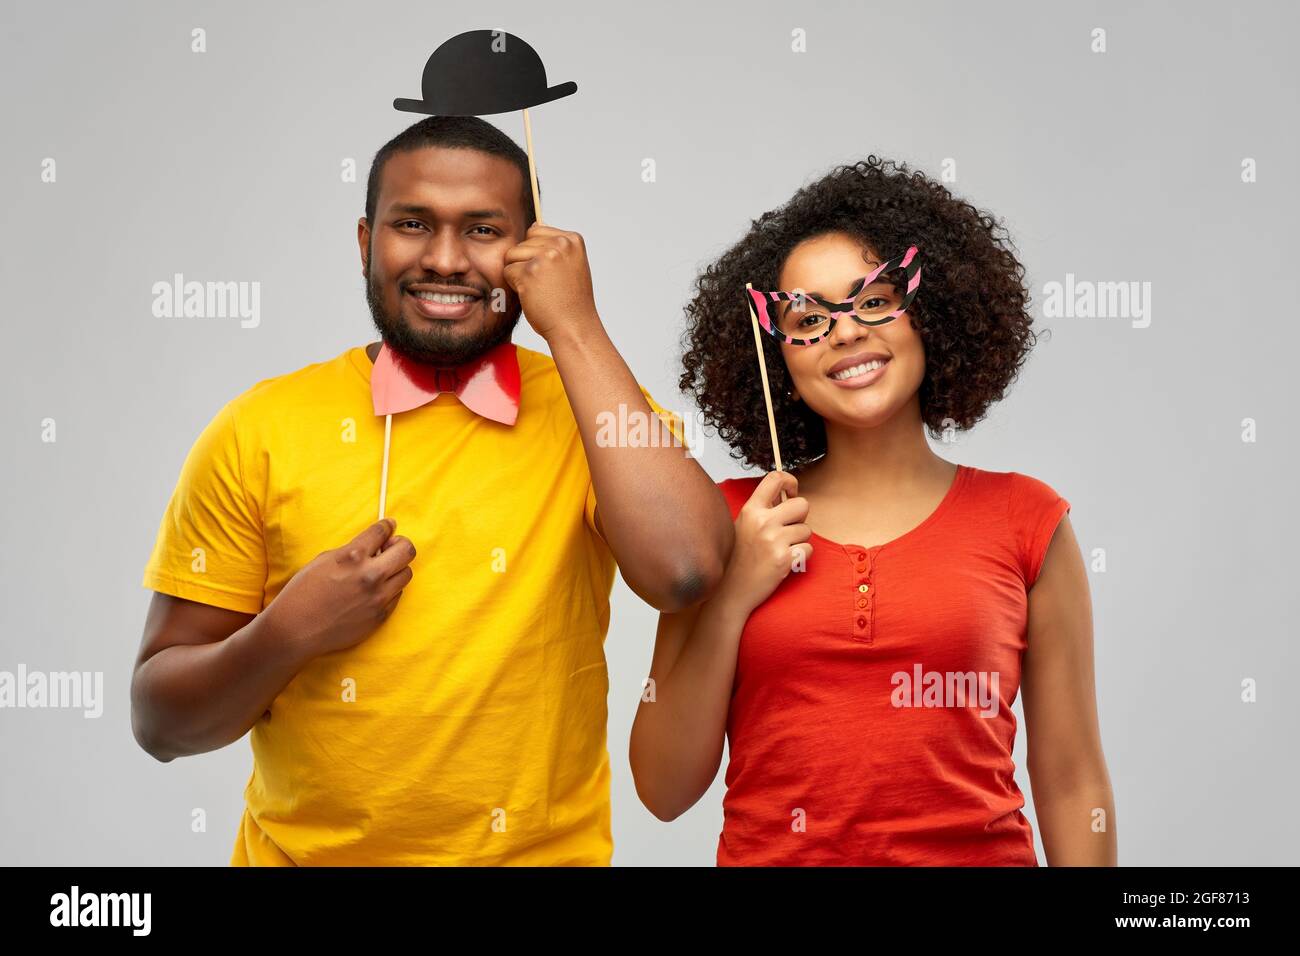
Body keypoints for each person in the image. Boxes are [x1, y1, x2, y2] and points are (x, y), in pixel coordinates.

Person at [132, 115, 732, 866]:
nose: (445, 260)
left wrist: (573, 322)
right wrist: (288, 633)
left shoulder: (596, 412)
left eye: (483, 230)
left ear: (530, 251)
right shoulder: (257, 429)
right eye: (413, 224)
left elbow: (687, 568)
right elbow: (160, 722)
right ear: (364, 242)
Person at [630, 156, 1116, 866]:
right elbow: (663, 789)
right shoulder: (725, 520)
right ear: (777, 359)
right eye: (808, 317)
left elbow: (1073, 781)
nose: (846, 331)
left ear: (931, 314)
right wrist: (735, 592)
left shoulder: (1028, 520)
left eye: (874, 299)